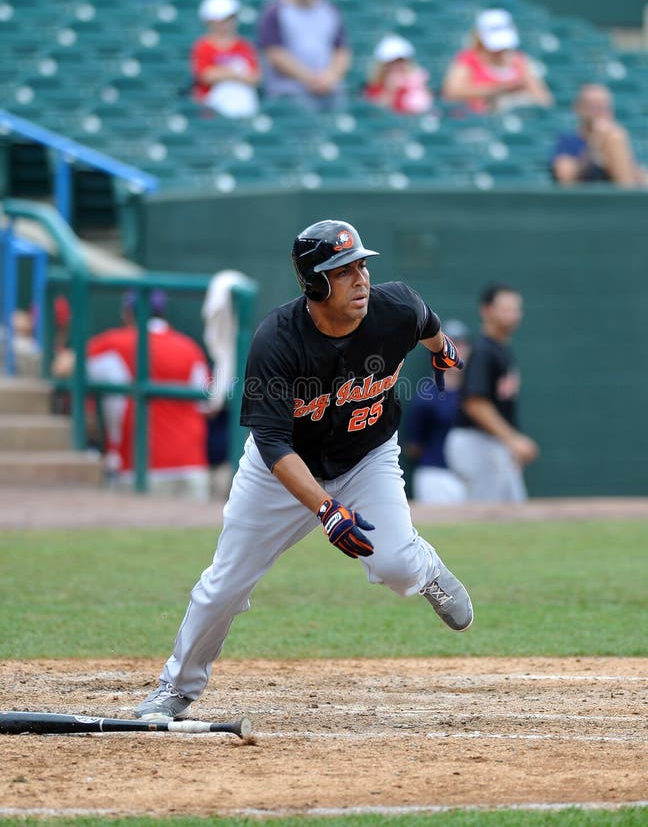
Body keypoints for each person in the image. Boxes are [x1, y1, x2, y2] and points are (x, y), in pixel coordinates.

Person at [134, 219, 473, 721]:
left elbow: (426, 322)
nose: (361, 279)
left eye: (361, 265)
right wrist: (326, 508)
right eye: (344, 270)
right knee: (224, 585)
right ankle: (176, 688)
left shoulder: (394, 307)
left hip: (367, 457)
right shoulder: (277, 339)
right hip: (283, 468)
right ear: (315, 283)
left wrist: (441, 349)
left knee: (398, 568)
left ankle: (425, 567)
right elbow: (271, 442)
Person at [53, 289, 211, 499]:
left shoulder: (115, 343)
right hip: (192, 466)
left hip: (135, 469)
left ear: (127, 313)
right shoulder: (190, 348)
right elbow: (209, 407)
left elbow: (62, 368)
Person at [444, 284, 538, 502]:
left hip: (491, 443)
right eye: (505, 309)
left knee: (513, 507)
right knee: (488, 513)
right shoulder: (483, 350)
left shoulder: (501, 350)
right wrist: (513, 440)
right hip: (475, 440)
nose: (512, 315)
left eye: (515, 309)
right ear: (486, 310)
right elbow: (474, 402)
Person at [256, 0, 351, 112]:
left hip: (328, 88)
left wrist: (331, 77)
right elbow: (275, 54)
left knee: (342, 99)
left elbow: (342, 51)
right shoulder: (274, 12)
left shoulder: (331, 11)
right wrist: (310, 79)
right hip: (289, 90)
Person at [404, 319, 471, 503]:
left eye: (462, 345)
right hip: (436, 474)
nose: (458, 350)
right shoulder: (426, 397)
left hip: (471, 475)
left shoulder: (476, 395)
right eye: (452, 345)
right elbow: (414, 447)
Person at [441, 9, 553, 114]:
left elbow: (544, 100)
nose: (499, 50)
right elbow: (452, 91)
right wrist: (501, 89)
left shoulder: (519, 61)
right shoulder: (468, 59)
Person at [551, 83, 648, 188]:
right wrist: (595, 144)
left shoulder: (616, 139)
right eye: (593, 106)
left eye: (603, 106)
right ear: (578, 108)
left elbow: (638, 175)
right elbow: (565, 178)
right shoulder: (568, 140)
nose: (599, 111)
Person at [191, 0, 261, 118]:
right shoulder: (203, 46)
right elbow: (205, 76)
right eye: (220, 20)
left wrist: (224, 73)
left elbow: (255, 77)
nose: (224, 25)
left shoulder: (244, 46)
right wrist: (236, 73)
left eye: (228, 19)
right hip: (211, 105)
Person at [364, 34, 435, 115]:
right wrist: (390, 91)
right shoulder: (373, 89)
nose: (396, 67)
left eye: (400, 62)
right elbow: (377, 110)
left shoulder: (414, 85)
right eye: (391, 63)